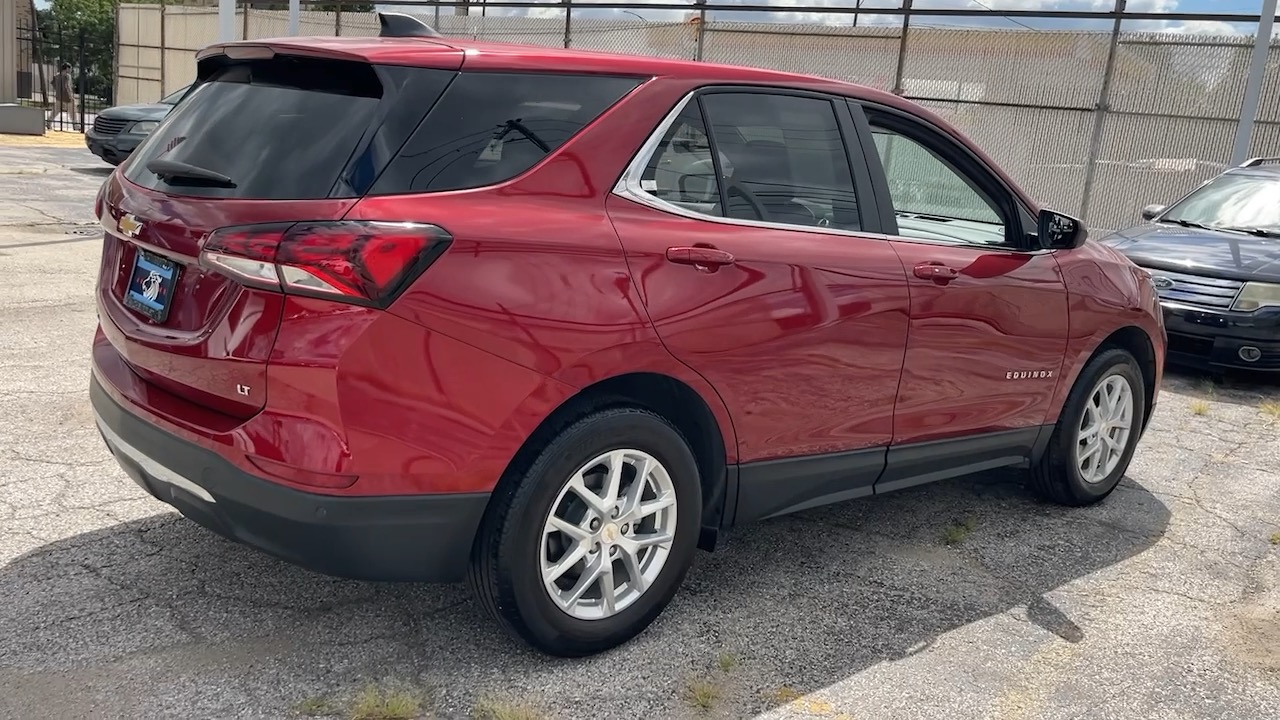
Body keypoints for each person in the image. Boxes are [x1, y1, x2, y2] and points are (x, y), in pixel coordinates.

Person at [48, 62, 80, 132]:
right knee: (72, 111)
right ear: (67, 68)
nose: (70, 70)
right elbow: (67, 86)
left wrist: (58, 89)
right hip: (67, 96)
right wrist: (71, 95)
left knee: (55, 111)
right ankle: (76, 125)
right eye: (70, 68)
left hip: (59, 96)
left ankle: (48, 122)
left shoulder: (57, 76)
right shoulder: (67, 76)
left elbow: (52, 83)